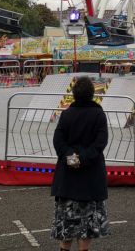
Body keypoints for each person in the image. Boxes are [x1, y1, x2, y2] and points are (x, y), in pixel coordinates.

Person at [51, 76, 110, 250]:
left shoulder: (67, 114)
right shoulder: (99, 115)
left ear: (74, 94)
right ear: (92, 94)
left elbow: (58, 140)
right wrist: (83, 158)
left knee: (66, 227)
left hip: (67, 180)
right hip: (91, 179)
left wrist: (71, 157)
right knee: (86, 229)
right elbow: (100, 143)